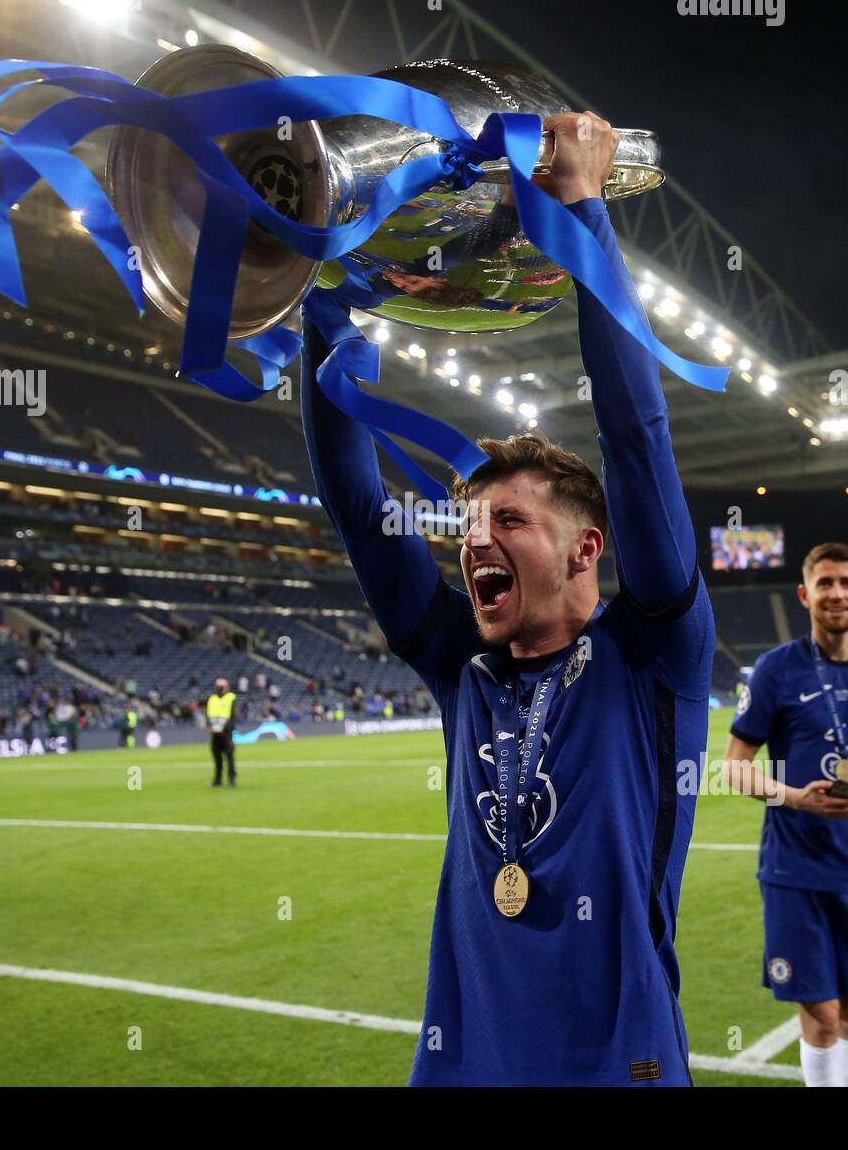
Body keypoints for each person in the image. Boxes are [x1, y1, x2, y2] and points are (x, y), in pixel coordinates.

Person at [301, 112, 713, 1086]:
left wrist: (581, 213)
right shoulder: (462, 664)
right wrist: (322, 292)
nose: (475, 538)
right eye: (466, 524)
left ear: (587, 547)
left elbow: (635, 440)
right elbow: (360, 509)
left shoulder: (654, 651)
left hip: (620, 1062)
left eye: (510, 521)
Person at [722, 543, 848, 1087]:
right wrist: (794, 796)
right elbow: (733, 768)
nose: (835, 593)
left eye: (846, 583)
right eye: (825, 583)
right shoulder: (775, 670)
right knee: (823, 1012)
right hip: (795, 871)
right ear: (804, 594)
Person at [207, 676, 238, 787]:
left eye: (221, 686)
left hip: (226, 733)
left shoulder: (231, 698)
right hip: (215, 733)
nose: (219, 688)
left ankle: (231, 779)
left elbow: (233, 716)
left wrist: (225, 729)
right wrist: (209, 726)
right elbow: (209, 714)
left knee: (229, 756)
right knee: (217, 757)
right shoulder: (212, 698)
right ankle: (217, 779)